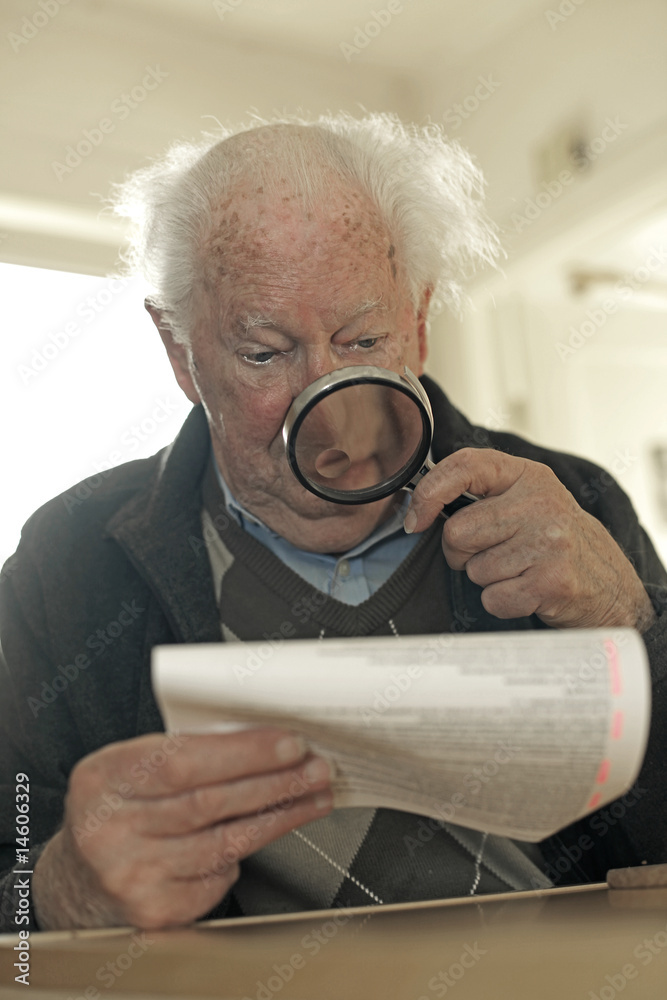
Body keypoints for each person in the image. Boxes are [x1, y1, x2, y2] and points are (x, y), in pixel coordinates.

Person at [1, 113, 666, 934]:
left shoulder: (573, 501)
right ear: (180, 352)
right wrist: (55, 894)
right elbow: (11, 882)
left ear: (418, 324)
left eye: (363, 339)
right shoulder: (66, 562)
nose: (331, 414)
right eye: (263, 354)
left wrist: (630, 625)